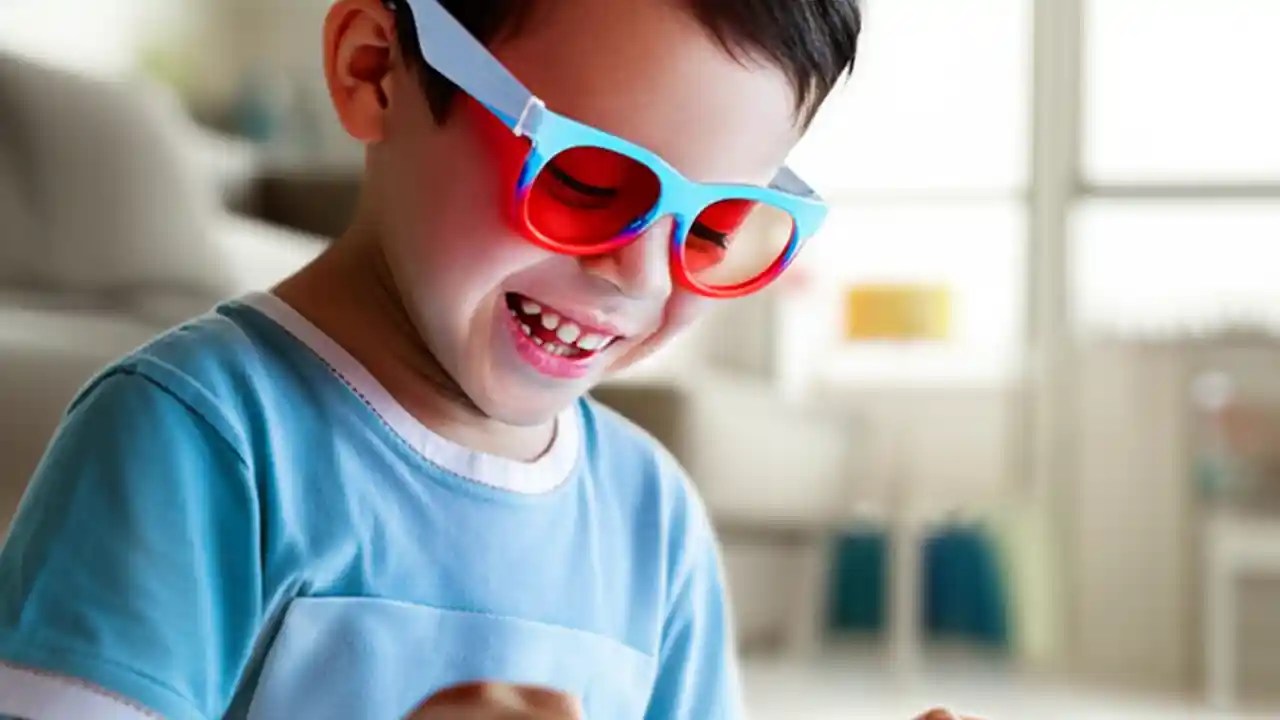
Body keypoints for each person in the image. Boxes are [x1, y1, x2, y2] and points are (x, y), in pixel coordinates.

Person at [0, 0, 974, 717]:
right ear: (377, 70)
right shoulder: (194, 441)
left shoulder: (655, 523)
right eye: (585, 179)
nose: (635, 274)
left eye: (712, 228)